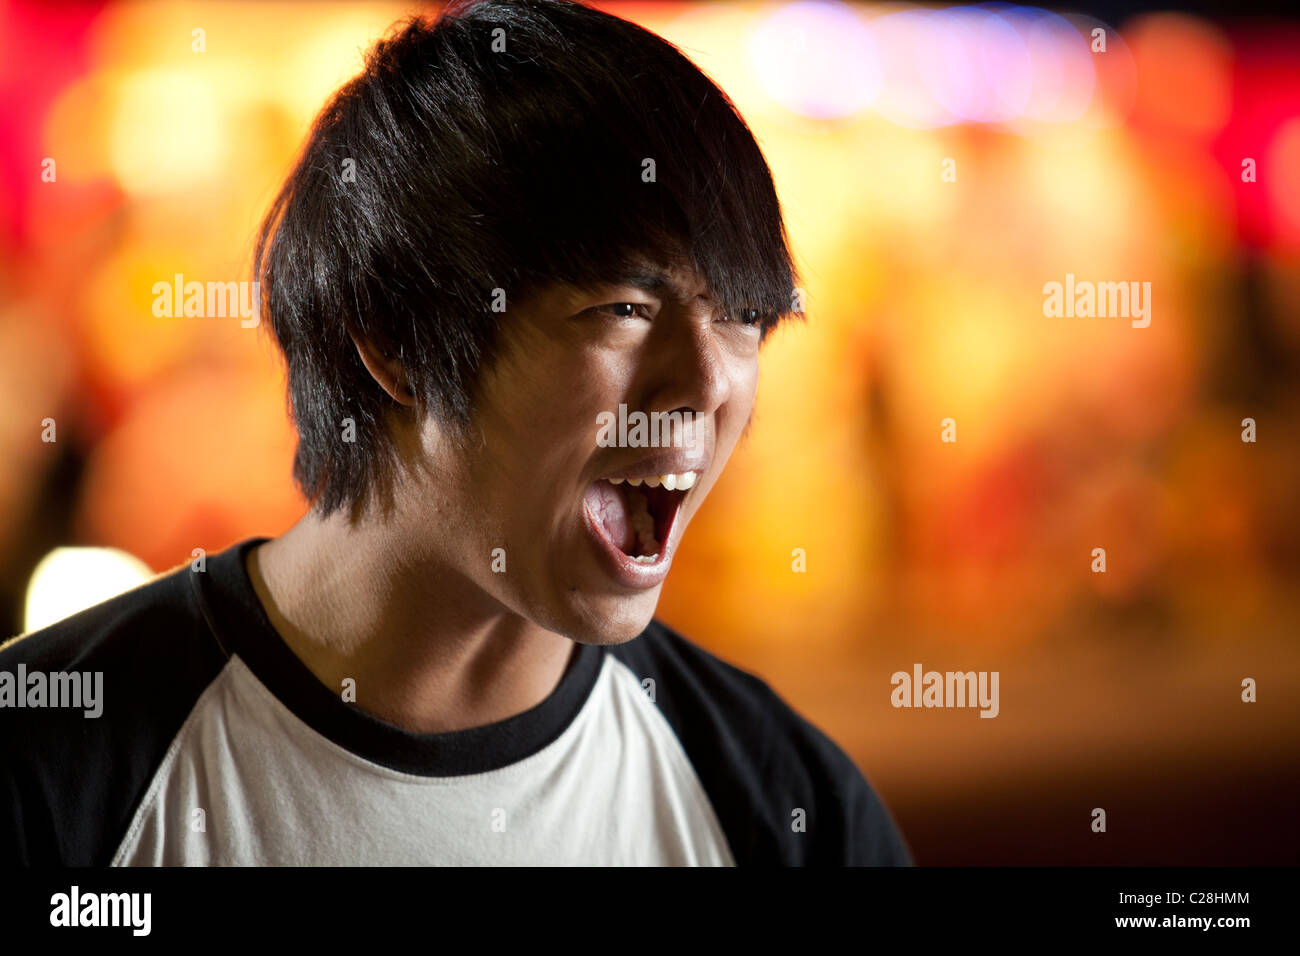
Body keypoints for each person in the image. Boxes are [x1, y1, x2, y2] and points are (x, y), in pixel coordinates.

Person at [0, 0, 910, 866]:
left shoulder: (783, 803)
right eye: (626, 308)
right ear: (393, 340)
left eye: (746, 316)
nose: (709, 384)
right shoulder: (52, 772)